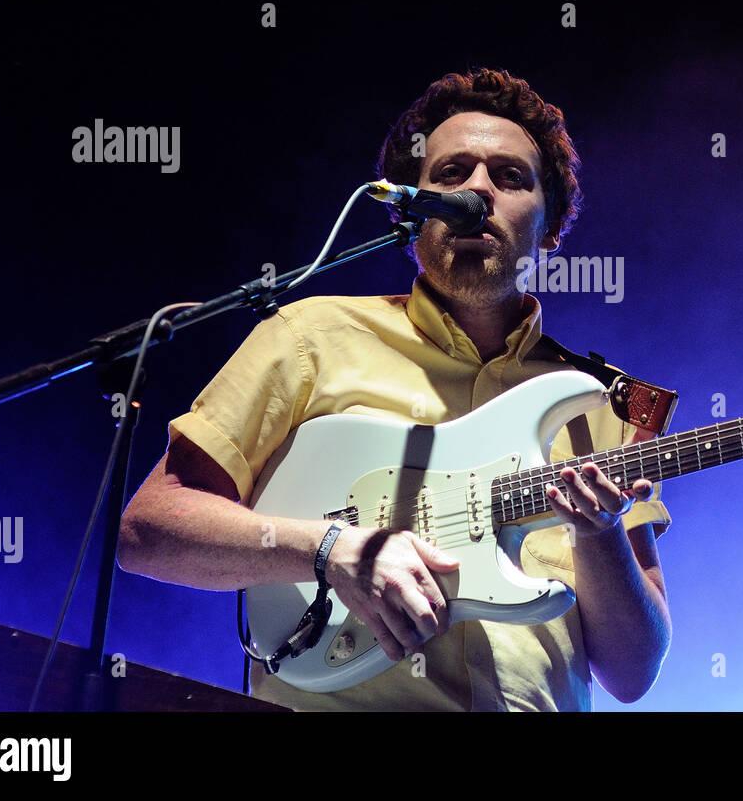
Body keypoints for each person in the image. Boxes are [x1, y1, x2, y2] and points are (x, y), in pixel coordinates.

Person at [117, 68, 672, 710]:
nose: (477, 191)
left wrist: (601, 536)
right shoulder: (310, 336)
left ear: (550, 226)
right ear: (410, 210)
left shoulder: (593, 404)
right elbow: (149, 530)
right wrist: (330, 550)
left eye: (510, 177)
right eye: (450, 174)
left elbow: (633, 673)